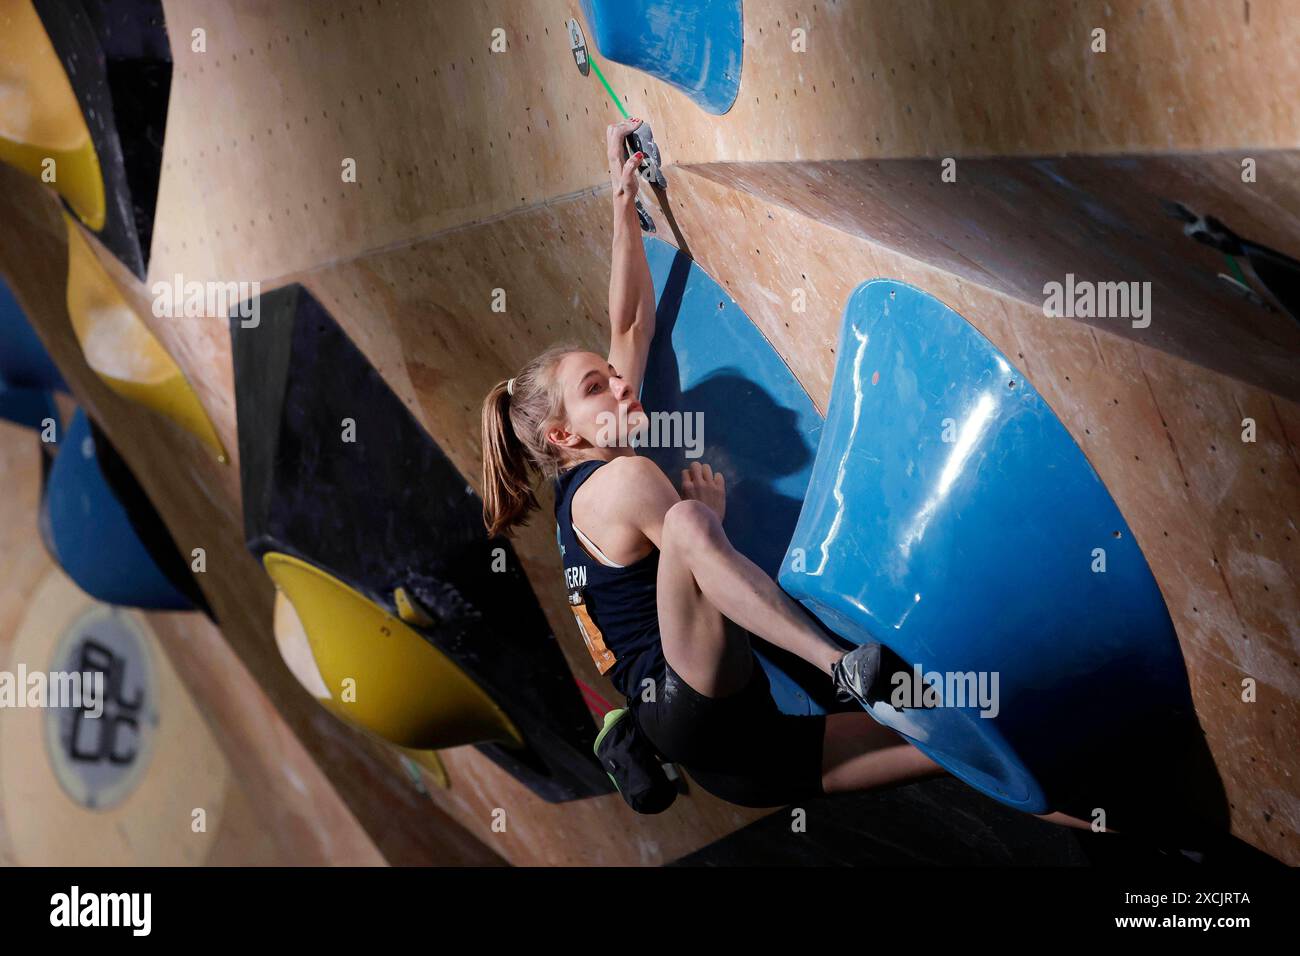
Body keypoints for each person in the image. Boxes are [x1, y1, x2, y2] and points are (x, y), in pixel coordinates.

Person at [480, 117, 1100, 828]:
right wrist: (703, 523)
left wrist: (622, 197)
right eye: (597, 389)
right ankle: (842, 662)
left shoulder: (584, 479)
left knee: (955, 745)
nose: (620, 386)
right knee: (685, 521)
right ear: (564, 435)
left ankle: (1147, 842)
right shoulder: (620, 483)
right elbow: (693, 546)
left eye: (608, 378)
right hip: (686, 706)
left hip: (733, 760)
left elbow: (629, 328)